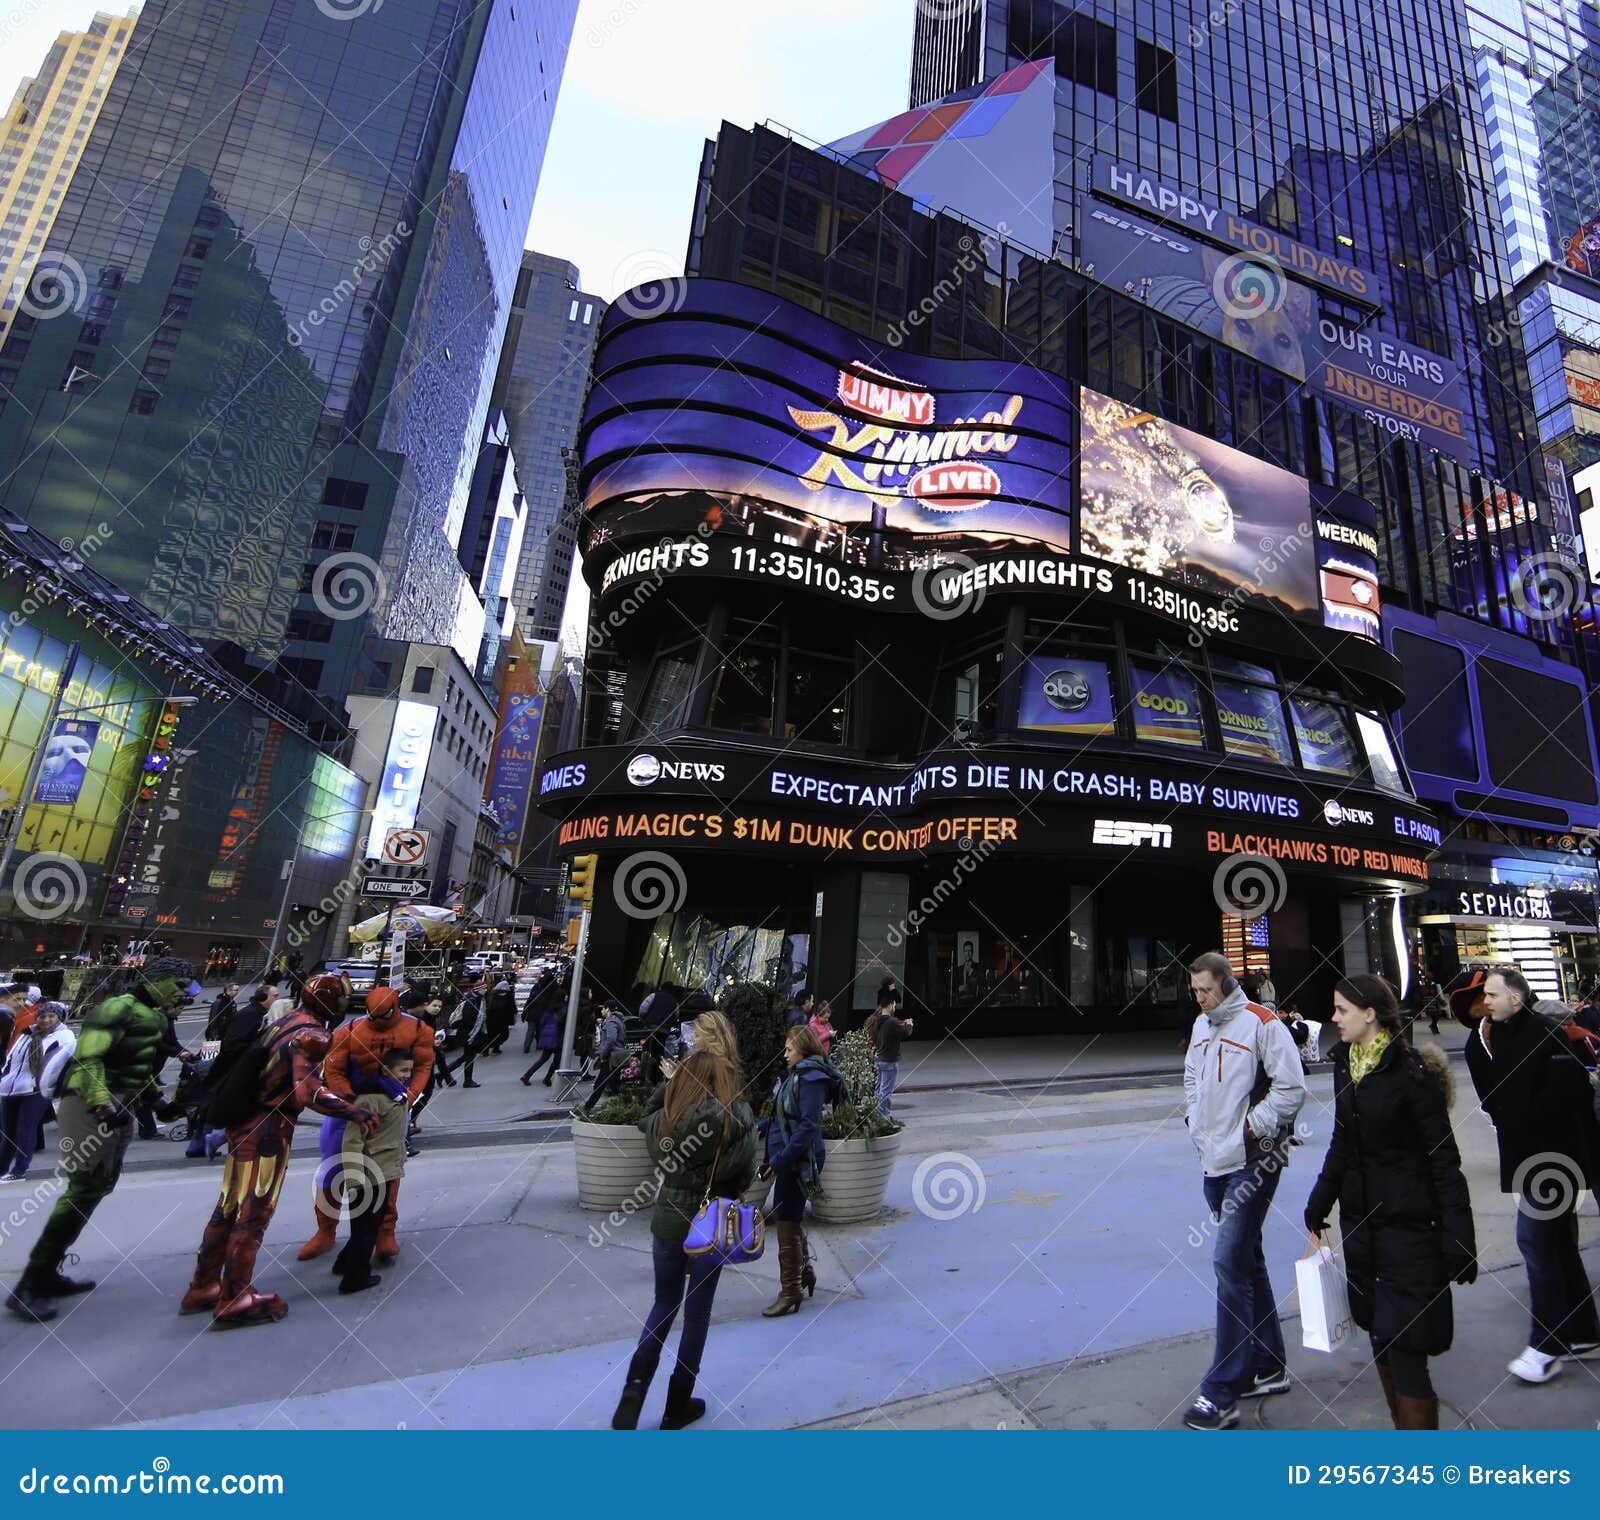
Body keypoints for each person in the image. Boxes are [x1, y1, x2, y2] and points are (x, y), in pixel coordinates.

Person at [1303, 975, 1477, 1428]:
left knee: (1405, 1349)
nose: (1334, 1018)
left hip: (1410, 1232)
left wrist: (1460, 1235)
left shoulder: (1411, 1073)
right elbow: (1343, 1141)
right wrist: (1319, 1201)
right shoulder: (1348, 1065)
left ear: (1370, 1014)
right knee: (1381, 1335)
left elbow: (1444, 1160)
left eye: (1341, 1010)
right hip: (1363, 1229)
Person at [179, 974, 378, 1327]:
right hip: (270, 1127)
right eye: (344, 997)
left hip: (244, 1122)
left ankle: (204, 1285)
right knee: (254, 1212)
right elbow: (308, 1092)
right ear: (330, 1002)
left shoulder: (286, 1021)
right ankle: (235, 1298)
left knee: (228, 1207)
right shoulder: (314, 1034)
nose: (347, 1004)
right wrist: (354, 1111)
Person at [8, 957, 195, 1323]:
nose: (183, 994)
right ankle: (29, 1285)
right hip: (89, 1104)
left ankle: (47, 1273)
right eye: (177, 984)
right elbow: (88, 1059)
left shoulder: (155, 1017)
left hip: (118, 1104)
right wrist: (101, 1104)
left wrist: (159, 1104)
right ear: (156, 980)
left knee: (96, 1188)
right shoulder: (117, 1007)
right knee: (82, 1189)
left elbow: (138, 1070)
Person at [610, 1011, 757, 1430]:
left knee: (663, 1302)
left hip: (670, 1219)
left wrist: (672, 1081)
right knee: (697, 1315)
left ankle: (634, 1391)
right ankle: (677, 1404)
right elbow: (744, 1172)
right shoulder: (736, 1108)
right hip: (710, 1224)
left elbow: (647, 1119)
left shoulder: (672, 1110)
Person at [1180, 951, 1307, 1430]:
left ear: (1229, 984)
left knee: (1228, 1262)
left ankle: (1222, 1390)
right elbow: (1192, 1077)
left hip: (1254, 1161)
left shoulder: (1262, 1023)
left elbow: (1291, 1088)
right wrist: (1195, 1121)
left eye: (1206, 989)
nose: (1200, 998)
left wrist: (1252, 1131)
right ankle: (1268, 1363)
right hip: (1213, 1159)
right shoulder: (1200, 1026)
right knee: (1247, 1260)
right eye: (1194, 990)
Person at [1456, 964, 1600, 1383]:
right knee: (1557, 1244)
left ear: (1516, 998)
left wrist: (1517, 1117)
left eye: (1493, 995)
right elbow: (1492, 1099)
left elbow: (1568, 1093)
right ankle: (1583, 1332)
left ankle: (1547, 1344)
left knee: (1534, 1239)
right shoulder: (1483, 1039)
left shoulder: (1545, 1032)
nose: (1486, 1001)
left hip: (1556, 1159)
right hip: (1528, 1157)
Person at [296, 984, 434, 1265]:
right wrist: (346, 1099)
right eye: (373, 1016)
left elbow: (423, 1065)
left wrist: (407, 1098)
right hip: (349, 1108)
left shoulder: (418, 1030)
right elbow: (333, 1067)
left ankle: (384, 1232)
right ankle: (326, 1230)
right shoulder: (349, 1031)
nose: (377, 1022)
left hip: (391, 1108)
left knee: (388, 1171)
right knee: (333, 1168)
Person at [758, 1024, 847, 1317]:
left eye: (789, 1049)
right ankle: (803, 1273)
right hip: (791, 1157)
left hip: (799, 1159)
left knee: (787, 1219)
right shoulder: (798, 1075)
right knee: (790, 1217)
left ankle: (791, 1290)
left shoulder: (810, 1079)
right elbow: (785, 1117)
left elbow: (808, 1125)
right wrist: (758, 1127)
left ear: (804, 1050)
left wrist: (781, 1160)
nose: (784, 1055)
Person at [333, 1049, 413, 1295]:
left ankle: (345, 1263)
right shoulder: (370, 1099)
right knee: (365, 1226)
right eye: (403, 1070)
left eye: (409, 1070)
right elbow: (352, 1140)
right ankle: (354, 1278)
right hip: (369, 1173)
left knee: (369, 1224)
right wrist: (355, 1176)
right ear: (387, 1070)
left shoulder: (396, 1095)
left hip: (385, 1169)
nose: (406, 1075)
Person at [0, 1001, 75, 1181]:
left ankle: (19, 1170)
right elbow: (10, 1059)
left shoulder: (64, 1035)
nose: (46, 1020)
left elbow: (61, 1063)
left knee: (24, 1129)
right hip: (11, 1089)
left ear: (59, 1018)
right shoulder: (26, 1034)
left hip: (36, 1090)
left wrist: (46, 1086)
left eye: (51, 1016)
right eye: (42, 1016)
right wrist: (3, 1079)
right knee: (7, 1134)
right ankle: (2, 1169)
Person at [867, 993, 912, 1120]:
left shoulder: (878, 1021)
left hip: (880, 1059)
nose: (895, 1007)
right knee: (885, 1091)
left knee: (879, 1088)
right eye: (894, 1004)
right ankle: (883, 1117)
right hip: (889, 1060)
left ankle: (876, 1114)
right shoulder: (891, 1021)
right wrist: (909, 1024)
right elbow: (905, 1033)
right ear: (890, 1005)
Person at [583, 1001, 631, 1111]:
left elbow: (611, 1039)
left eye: (602, 1009)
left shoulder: (611, 1021)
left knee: (599, 1085)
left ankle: (587, 1108)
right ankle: (621, 1108)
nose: (601, 1011)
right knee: (614, 1085)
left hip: (610, 1056)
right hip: (617, 1056)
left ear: (608, 1009)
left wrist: (603, 1054)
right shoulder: (618, 1020)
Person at [520, 997, 563, 1085]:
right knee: (557, 1060)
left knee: (543, 1059)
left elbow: (542, 1022)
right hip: (557, 1037)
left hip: (548, 1037)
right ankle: (547, 1077)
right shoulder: (563, 1009)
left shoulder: (548, 1011)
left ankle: (527, 1075)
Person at [483, 976, 517, 1056]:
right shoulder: (508, 995)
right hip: (503, 1019)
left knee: (490, 1034)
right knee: (501, 1034)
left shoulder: (492, 994)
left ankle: (486, 1050)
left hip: (491, 1018)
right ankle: (496, 1048)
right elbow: (512, 1007)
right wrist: (513, 1016)